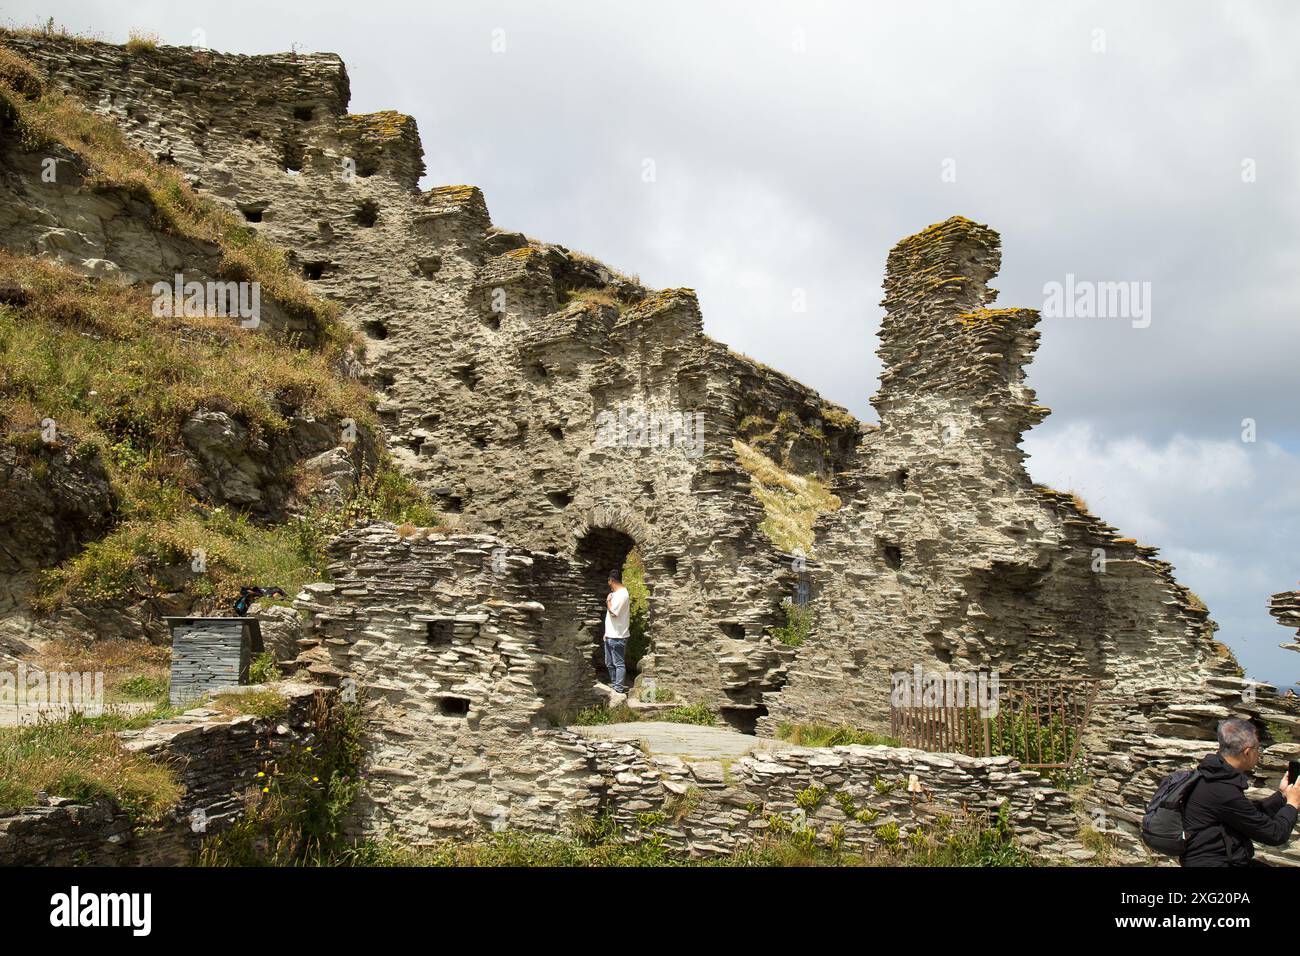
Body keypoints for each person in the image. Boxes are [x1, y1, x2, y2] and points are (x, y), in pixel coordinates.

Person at [1181, 717, 1300, 866]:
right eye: (1258, 749)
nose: (1259, 753)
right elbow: (1275, 834)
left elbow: (1246, 813)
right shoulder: (1223, 790)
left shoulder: (1211, 775)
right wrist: (1293, 804)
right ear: (1247, 752)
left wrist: (1281, 796)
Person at [603, 570, 630, 695]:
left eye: (609, 582)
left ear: (612, 581)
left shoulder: (622, 595)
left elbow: (614, 613)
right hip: (610, 635)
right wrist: (606, 633)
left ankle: (618, 688)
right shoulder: (618, 594)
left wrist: (608, 601)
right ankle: (615, 684)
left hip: (618, 636)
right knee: (609, 663)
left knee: (618, 663)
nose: (609, 585)